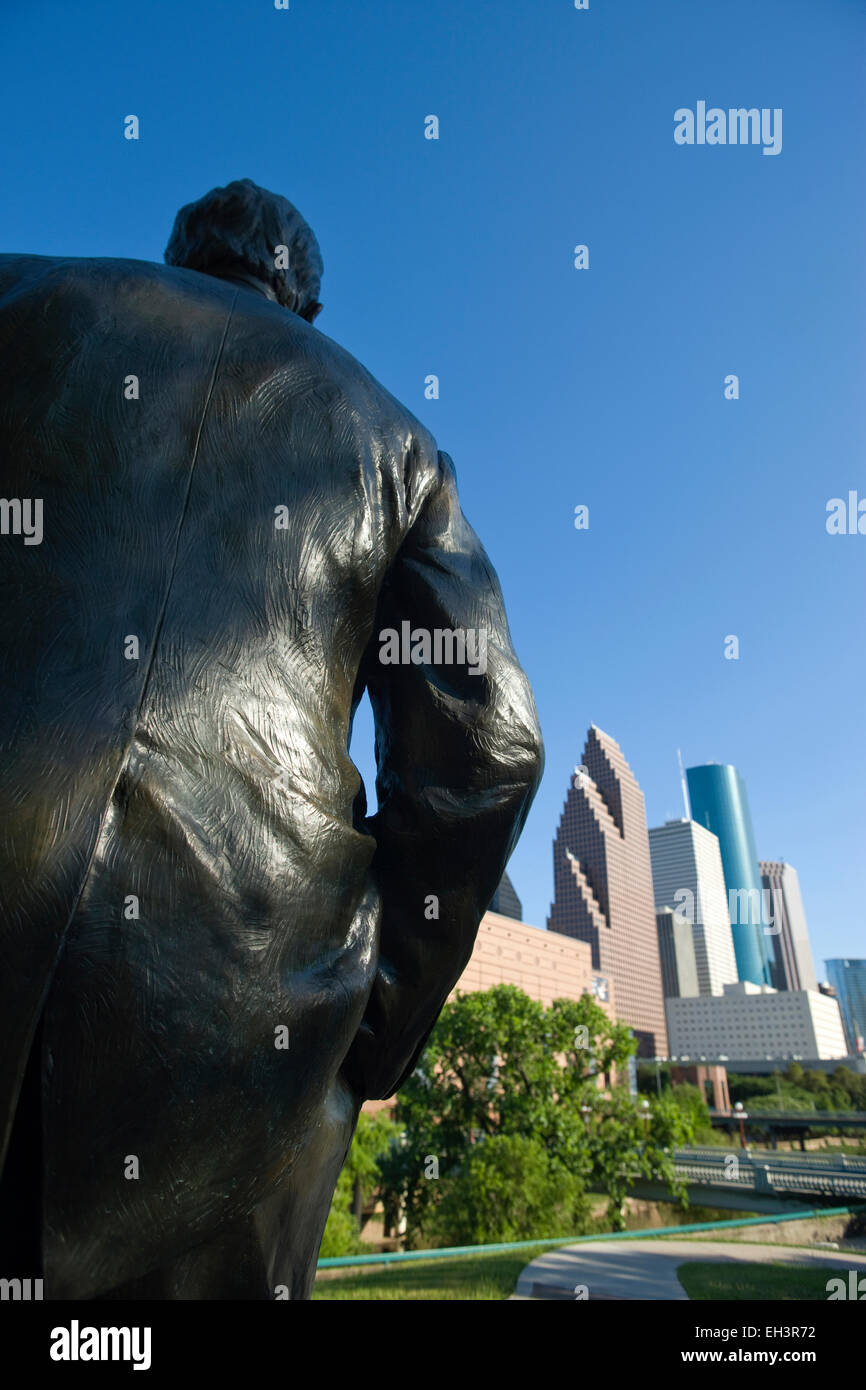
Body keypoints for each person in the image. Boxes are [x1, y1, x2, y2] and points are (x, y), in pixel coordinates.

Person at [0, 179, 543, 1299]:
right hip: (246, 1013)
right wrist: (372, 1026)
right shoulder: (396, 444)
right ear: (305, 301)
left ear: (176, 256)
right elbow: (485, 753)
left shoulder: (22, 299)